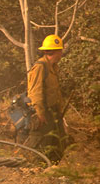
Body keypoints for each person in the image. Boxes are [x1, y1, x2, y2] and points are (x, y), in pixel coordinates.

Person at [24, 34, 68, 162]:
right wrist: (40, 113)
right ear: (57, 52)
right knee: (43, 146)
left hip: (54, 113)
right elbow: (35, 92)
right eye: (60, 50)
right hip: (44, 114)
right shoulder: (40, 67)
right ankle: (38, 171)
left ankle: (53, 172)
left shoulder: (53, 67)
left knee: (58, 145)